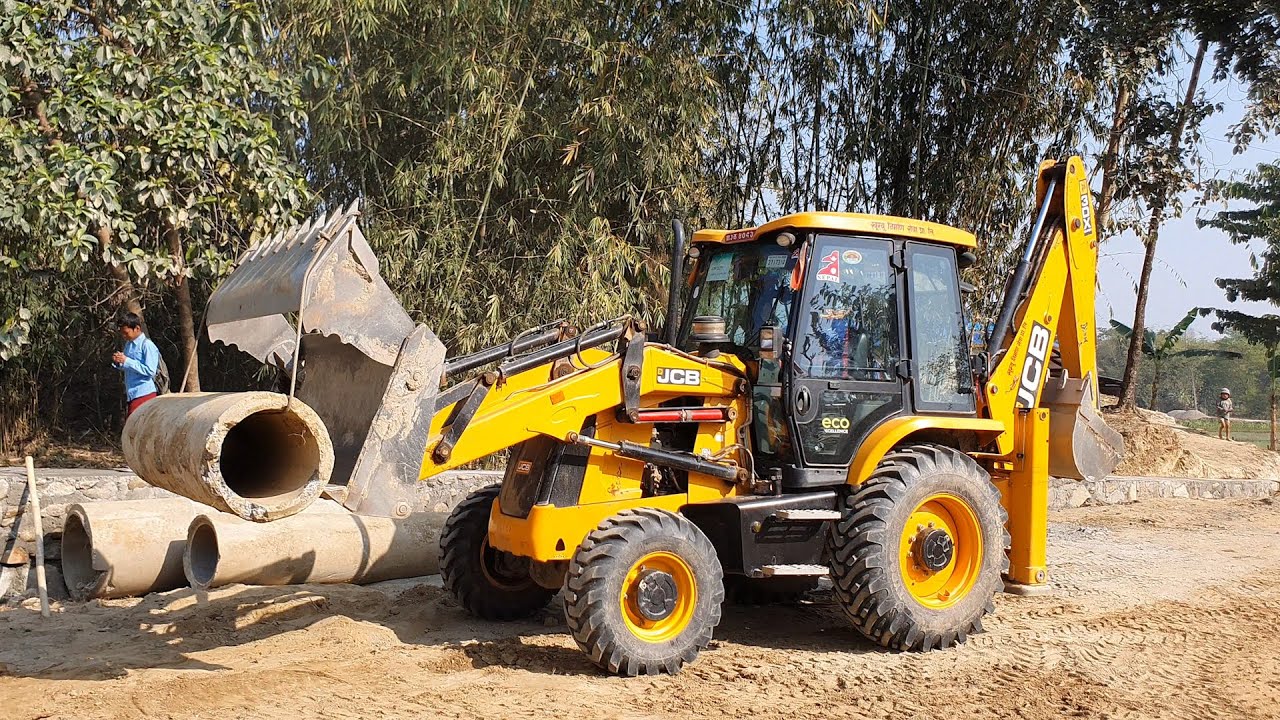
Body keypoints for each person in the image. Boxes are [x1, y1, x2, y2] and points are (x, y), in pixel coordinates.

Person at [112, 311, 160, 419]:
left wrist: (127, 361)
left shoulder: (147, 345)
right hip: (132, 394)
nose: (124, 336)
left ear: (137, 328)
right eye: (122, 333)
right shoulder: (128, 345)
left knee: (135, 427)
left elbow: (150, 371)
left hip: (144, 393)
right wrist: (119, 362)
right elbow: (129, 367)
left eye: (126, 333)